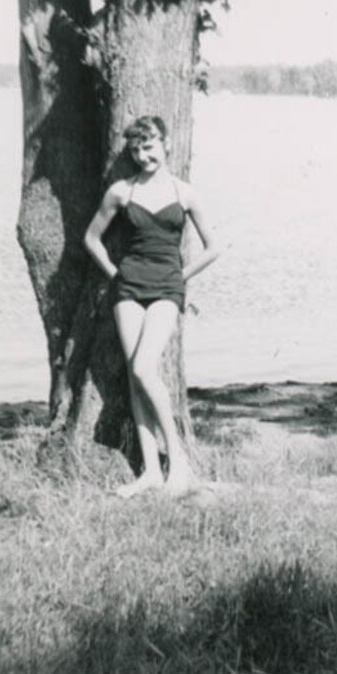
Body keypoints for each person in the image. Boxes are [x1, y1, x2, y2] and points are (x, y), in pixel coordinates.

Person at [84, 115, 220, 497]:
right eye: (136, 149)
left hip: (166, 290)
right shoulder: (121, 192)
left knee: (145, 367)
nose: (144, 155)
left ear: (166, 145)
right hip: (128, 289)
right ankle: (150, 474)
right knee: (134, 376)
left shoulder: (185, 193)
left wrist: (181, 277)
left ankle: (177, 462)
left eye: (150, 147)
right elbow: (91, 239)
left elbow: (214, 249)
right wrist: (116, 275)